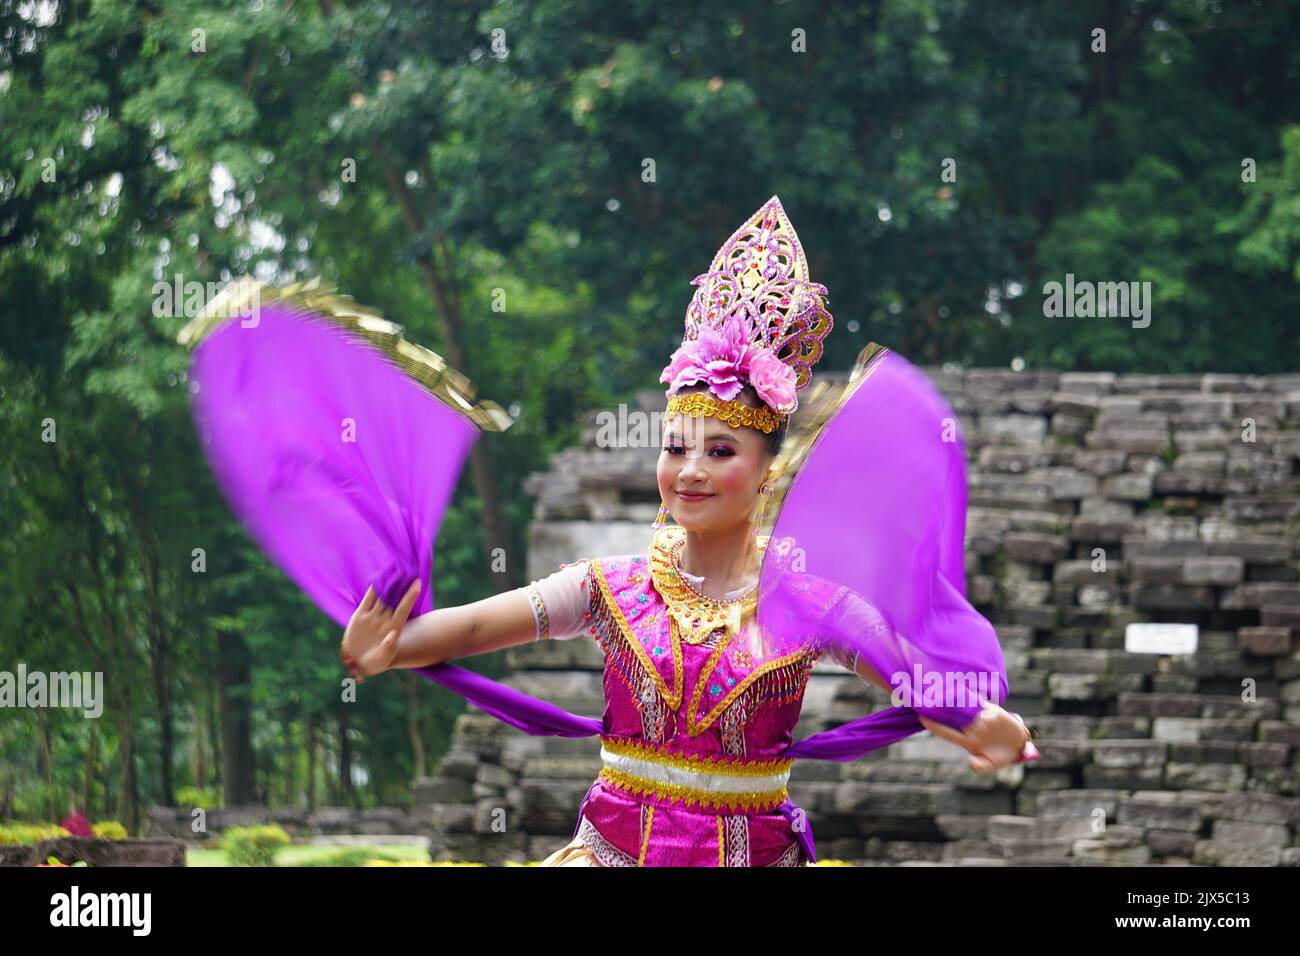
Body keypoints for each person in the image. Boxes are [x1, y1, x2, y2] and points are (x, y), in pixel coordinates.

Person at [339, 196, 1035, 867]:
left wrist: (986, 727)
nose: (691, 471)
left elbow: (916, 685)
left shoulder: (813, 606)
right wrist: (383, 651)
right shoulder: (606, 589)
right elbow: (464, 633)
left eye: (721, 451)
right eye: (676, 447)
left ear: (767, 472)